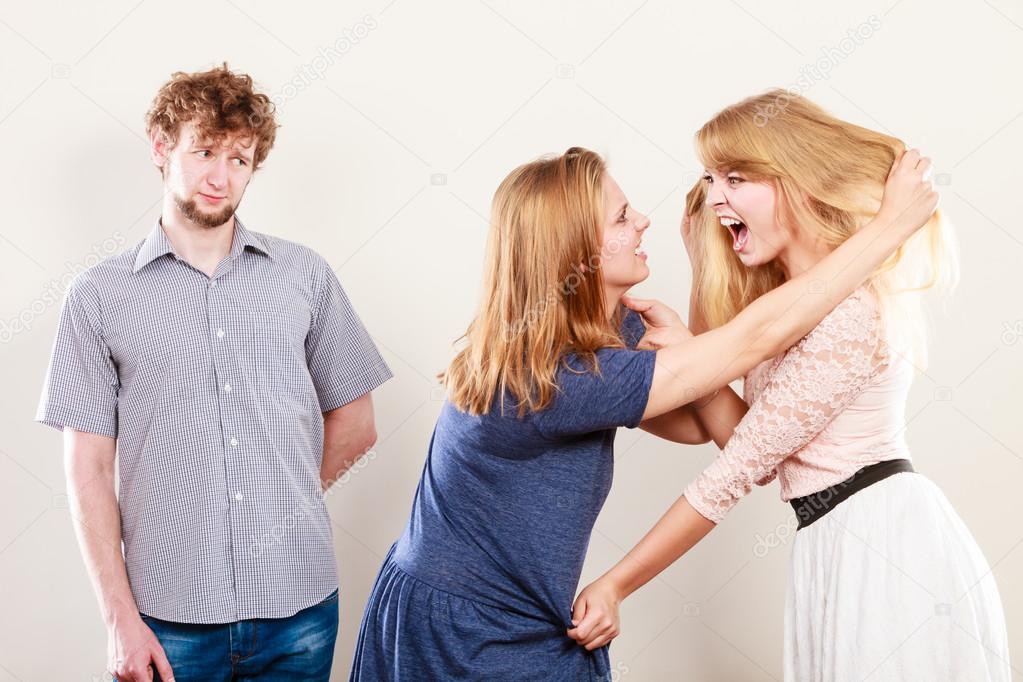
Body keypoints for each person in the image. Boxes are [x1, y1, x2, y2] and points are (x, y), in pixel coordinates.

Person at [349, 142, 937, 680]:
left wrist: (698, 300)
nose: (643, 220)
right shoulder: (555, 373)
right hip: (463, 625)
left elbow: (730, 437)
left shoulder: (612, 330)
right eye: (622, 216)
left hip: (494, 607)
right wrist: (888, 229)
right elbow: (754, 340)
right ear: (578, 248)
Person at [570, 91, 1011, 681]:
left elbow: (734, 474)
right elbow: (746, 439)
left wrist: (616, 583)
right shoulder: (782, 307)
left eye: (735, 176)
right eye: (709, 177)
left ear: (796, 182)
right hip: (834, 535)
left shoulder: (850, 314)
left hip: (884, 544)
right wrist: (703, 265)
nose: (712, 195)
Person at [36, 63, 392, 682]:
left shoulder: (304, 276)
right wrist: (119, 618)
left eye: (239, 158)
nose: (220, 175)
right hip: (165, 623)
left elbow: (357, 423)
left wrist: (280, 500)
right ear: (160, 147)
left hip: (300, 615)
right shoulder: (96, 297)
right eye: (204, 150)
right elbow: (87, 467)